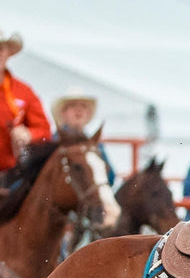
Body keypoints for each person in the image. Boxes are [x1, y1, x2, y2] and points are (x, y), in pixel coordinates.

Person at [0, 30, 52, 174]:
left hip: (10, 175)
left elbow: (45, 132)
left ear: (8, 53)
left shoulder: (23, 91)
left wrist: (29, 134)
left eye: (0, 48)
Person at [51, 88, 116, 184]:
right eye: (73, 106)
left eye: (83, 106)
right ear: (63, 113)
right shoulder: (53, 143)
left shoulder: (96, 144)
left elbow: (110, 176)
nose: (79, 110)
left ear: (88, 114)